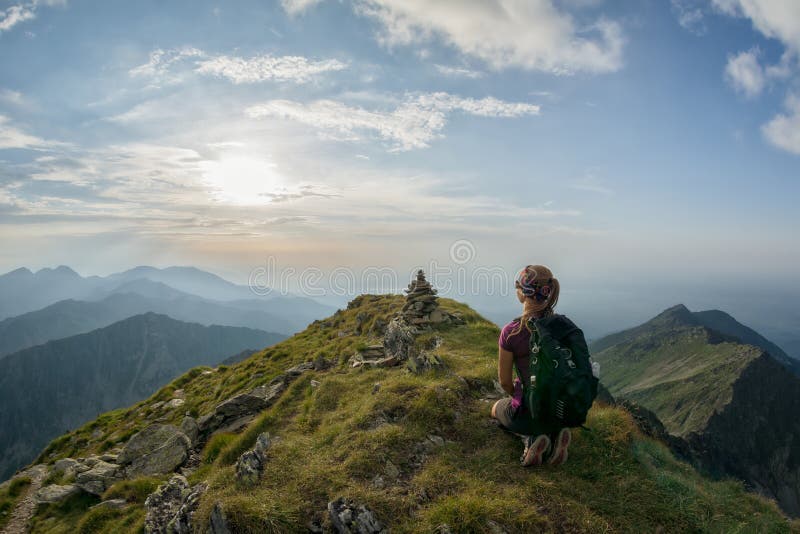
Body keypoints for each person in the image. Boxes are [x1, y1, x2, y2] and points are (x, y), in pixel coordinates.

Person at [491, 264, 572, 467]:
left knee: (496, 409)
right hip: (562, 408)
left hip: (532, 408)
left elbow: (505, 382)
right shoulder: (562, 326)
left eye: (517, 287)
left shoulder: (512, 332)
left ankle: (531, 439)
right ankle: (555, 435)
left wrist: (519, 396)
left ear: (523, 293)